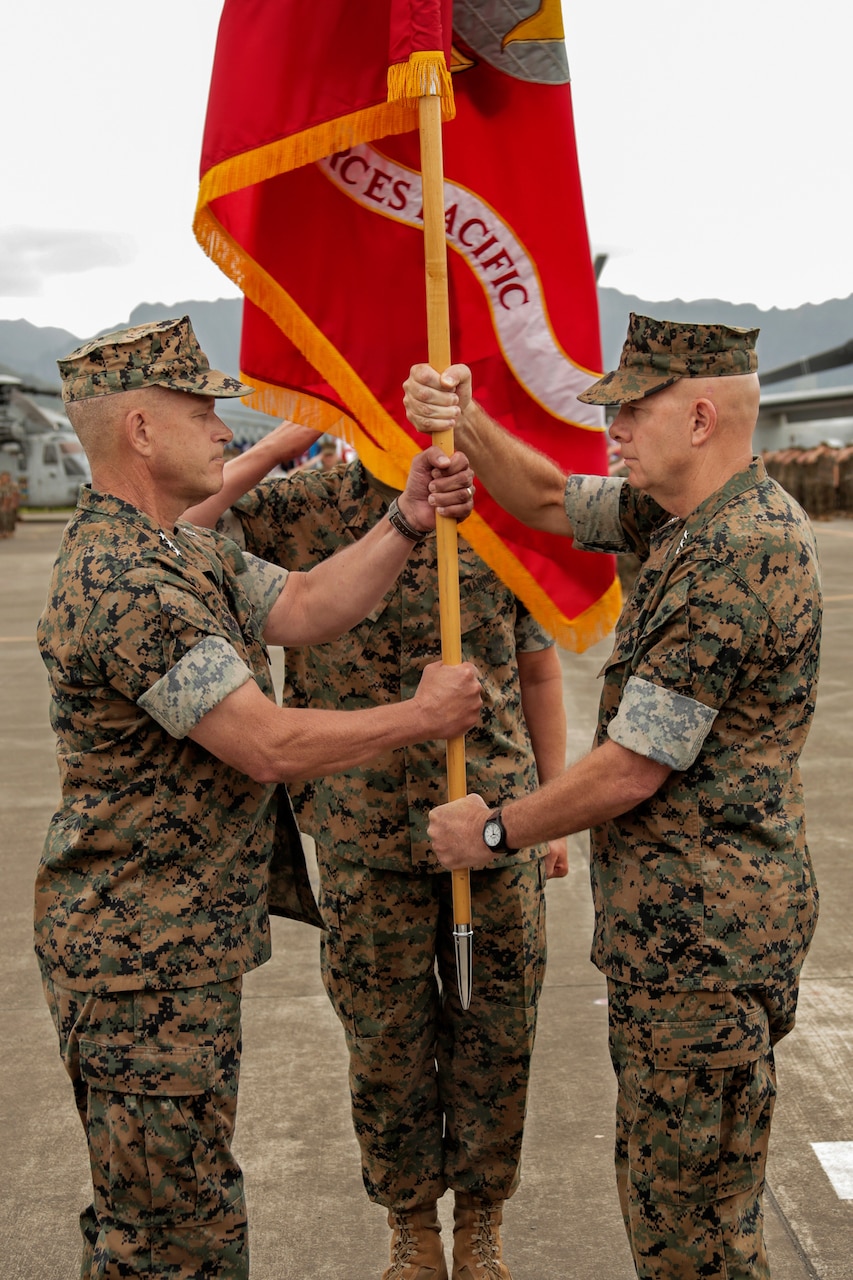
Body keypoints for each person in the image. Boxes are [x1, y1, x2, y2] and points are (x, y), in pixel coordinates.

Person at [35, 315, 482, 1280]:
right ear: (141, 431)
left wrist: (403, 520)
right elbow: (266, 745)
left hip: (171, 954)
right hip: (134, 964)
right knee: (170, 1243)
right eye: (201, 413)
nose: (223, 431)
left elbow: (310, 604)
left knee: (174, 1211)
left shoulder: (179, 552)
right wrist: (417, 716)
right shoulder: (125, 578)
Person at [403, 314, 822, 1280]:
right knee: (676, 1204)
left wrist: (496, 827)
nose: (612, 430)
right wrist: (461, 418)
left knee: (692, 1238)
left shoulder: (732, 555)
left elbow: (637, 764)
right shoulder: (683, 517)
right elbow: (547, 500)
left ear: (702, 417)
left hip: (704, 947)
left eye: (631, 411)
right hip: (685, 938)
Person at [185, 421, 569, 1280]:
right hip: (362, 830)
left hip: (490, 821)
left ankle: (479, 1222)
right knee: (384, 1042)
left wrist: (549, 809)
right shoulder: (304, 505)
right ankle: (412, 1228)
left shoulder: (494, 509)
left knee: (496, 1034)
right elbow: (186, 521)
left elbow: (535, 667)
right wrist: (294, 428)